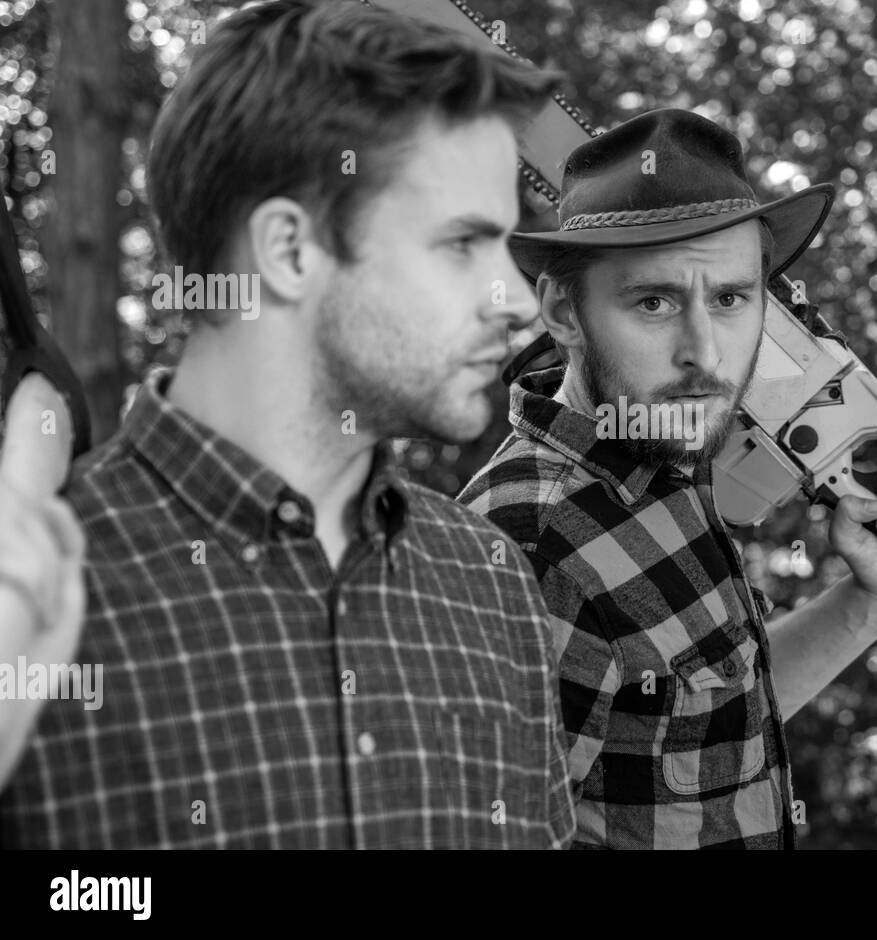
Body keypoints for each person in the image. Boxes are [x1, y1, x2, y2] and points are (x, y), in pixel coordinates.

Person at [0, 0, 574, 848]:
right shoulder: (32, 601)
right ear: (290, 250)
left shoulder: (492, 578)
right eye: (464, 244)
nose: (520, 301)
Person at [459, 109, 877, 849]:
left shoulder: (664, 465)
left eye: (731, 299)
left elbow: (693, 735)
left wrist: (873, 600)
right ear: (564, 312)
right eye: (655, 302)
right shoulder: (527, 552)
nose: (704, 353)